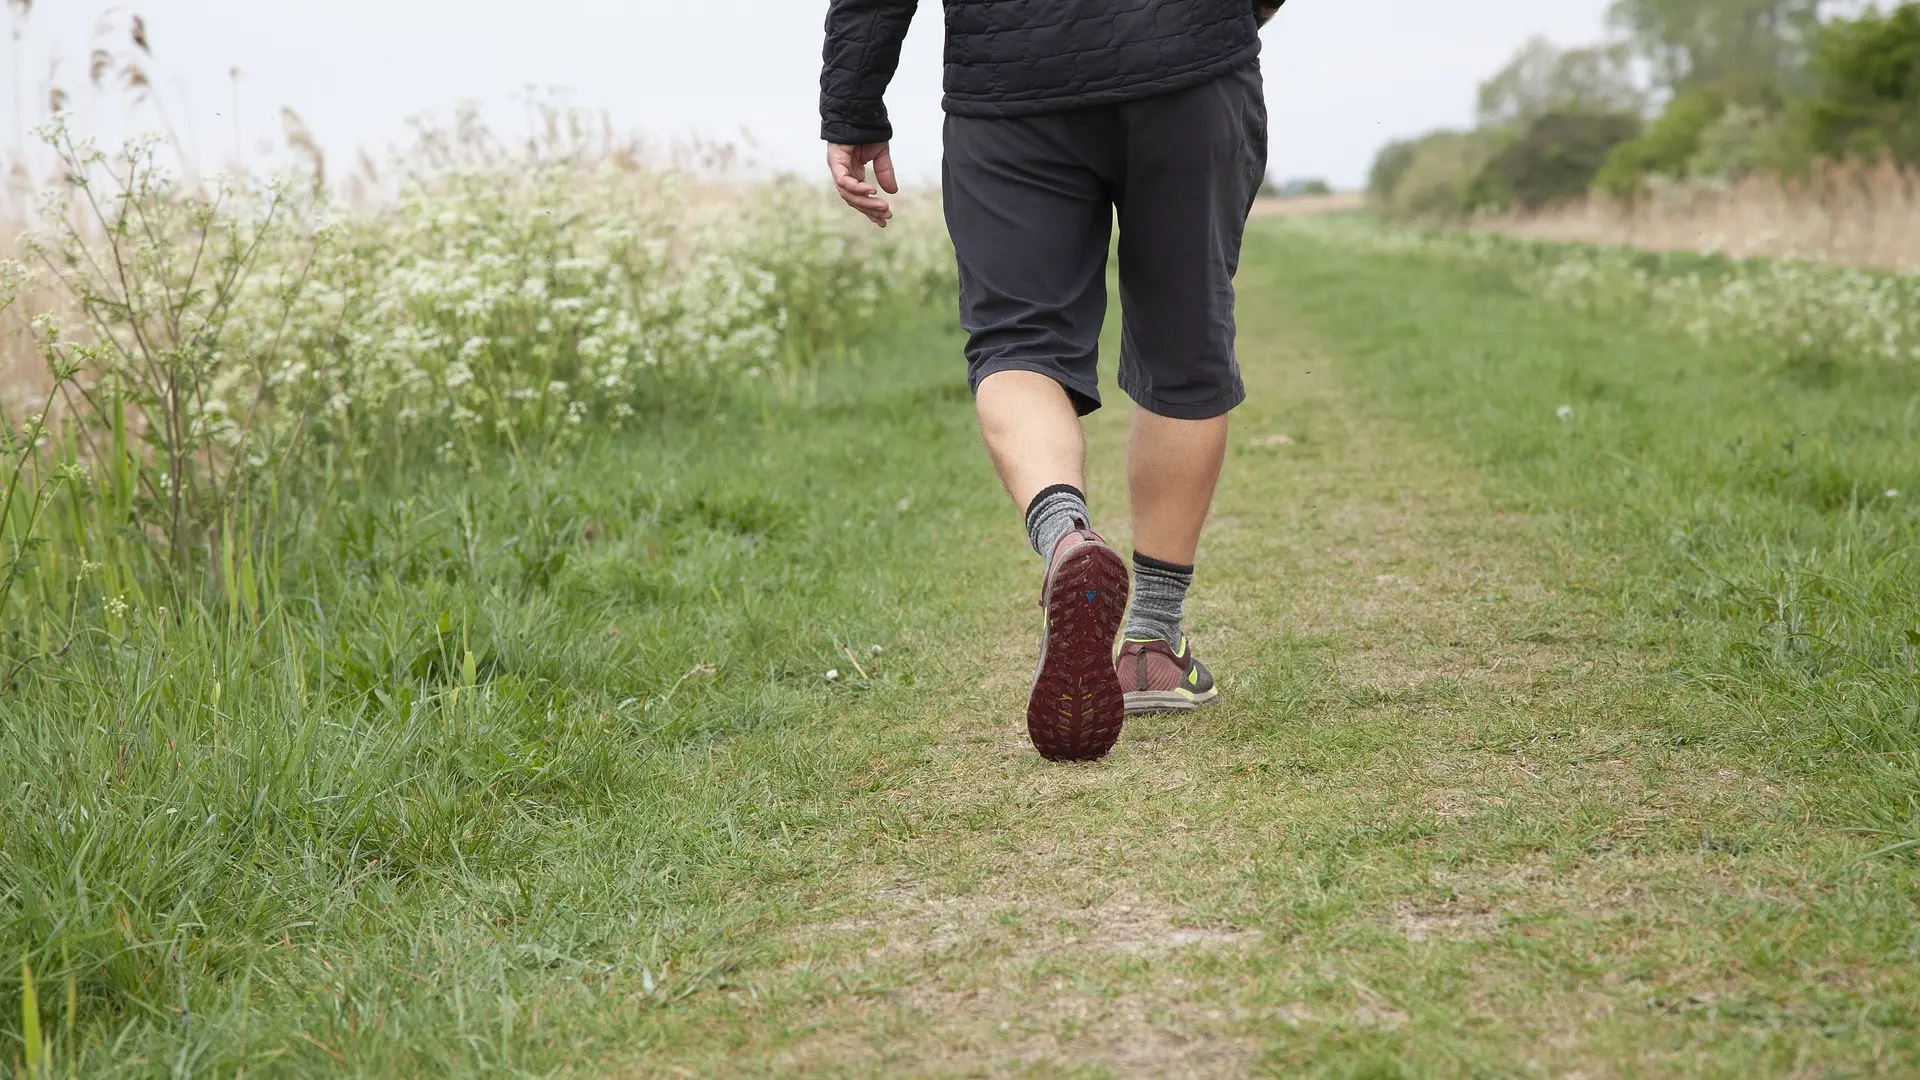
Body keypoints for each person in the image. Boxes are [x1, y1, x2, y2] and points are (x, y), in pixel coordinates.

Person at [821, 0, 1283, 762]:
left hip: (1008, 82)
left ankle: (1066, 537)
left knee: (1017, 343)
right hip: (1187, 60)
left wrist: (853, 103)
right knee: (1184, 344)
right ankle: (1151, 646)